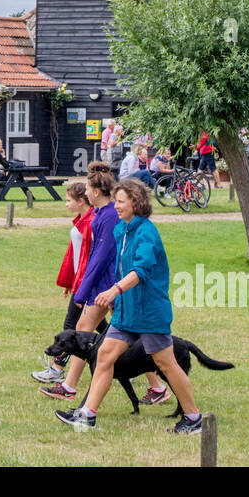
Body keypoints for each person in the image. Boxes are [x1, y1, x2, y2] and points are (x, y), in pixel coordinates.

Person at [56, 177, 203, 433]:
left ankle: (193, 418)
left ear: (136, 203)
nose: (116, 206)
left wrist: (114, 289)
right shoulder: (122, 230)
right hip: (127, 311)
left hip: (149, 312)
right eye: (115, 201)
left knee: (166, 363)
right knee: (104, 356)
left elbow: (141, 271)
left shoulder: (146, 232)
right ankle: (87, 415)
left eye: (121, 201)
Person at [33, 181, 103, 384]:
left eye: (69, 200)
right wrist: (68, 280)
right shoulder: (82, 220)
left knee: (71, 325)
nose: (66, 204)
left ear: (81, 201)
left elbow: (91, 257)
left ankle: (57, 368)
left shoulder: (91, 222)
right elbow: (74, 253)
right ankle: (132, 365)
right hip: (81, 281)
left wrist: (82, 284)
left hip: (87, 283)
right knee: (103, 325)